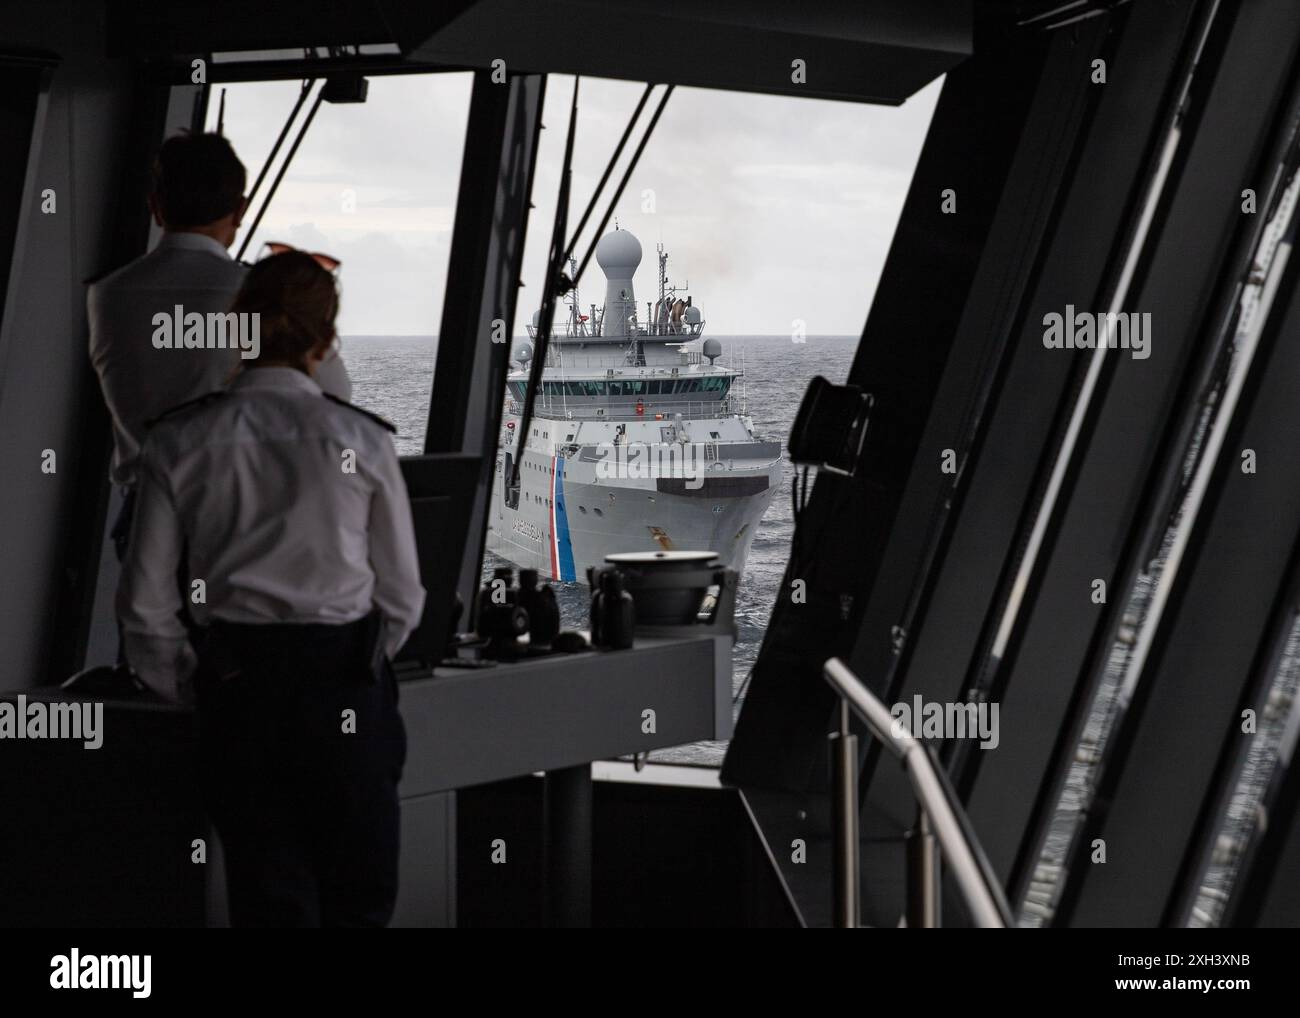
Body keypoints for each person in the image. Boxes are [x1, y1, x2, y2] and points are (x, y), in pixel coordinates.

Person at [117, 251, 424, 927]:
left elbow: (144, 605)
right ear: (326, 338)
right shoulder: (363, 441)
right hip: (342, 687)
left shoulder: (179, 440)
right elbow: (402, 598)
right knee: (361, 899)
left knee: (268, 898)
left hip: (239, 688)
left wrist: (190, 684)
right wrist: (360, 666)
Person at [88, 131, 352, 561]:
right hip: (240, 517)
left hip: (145, 522)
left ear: (156, 206)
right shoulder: (256, 297)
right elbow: (335, 393)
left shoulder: (108, 295)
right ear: (240, 210)